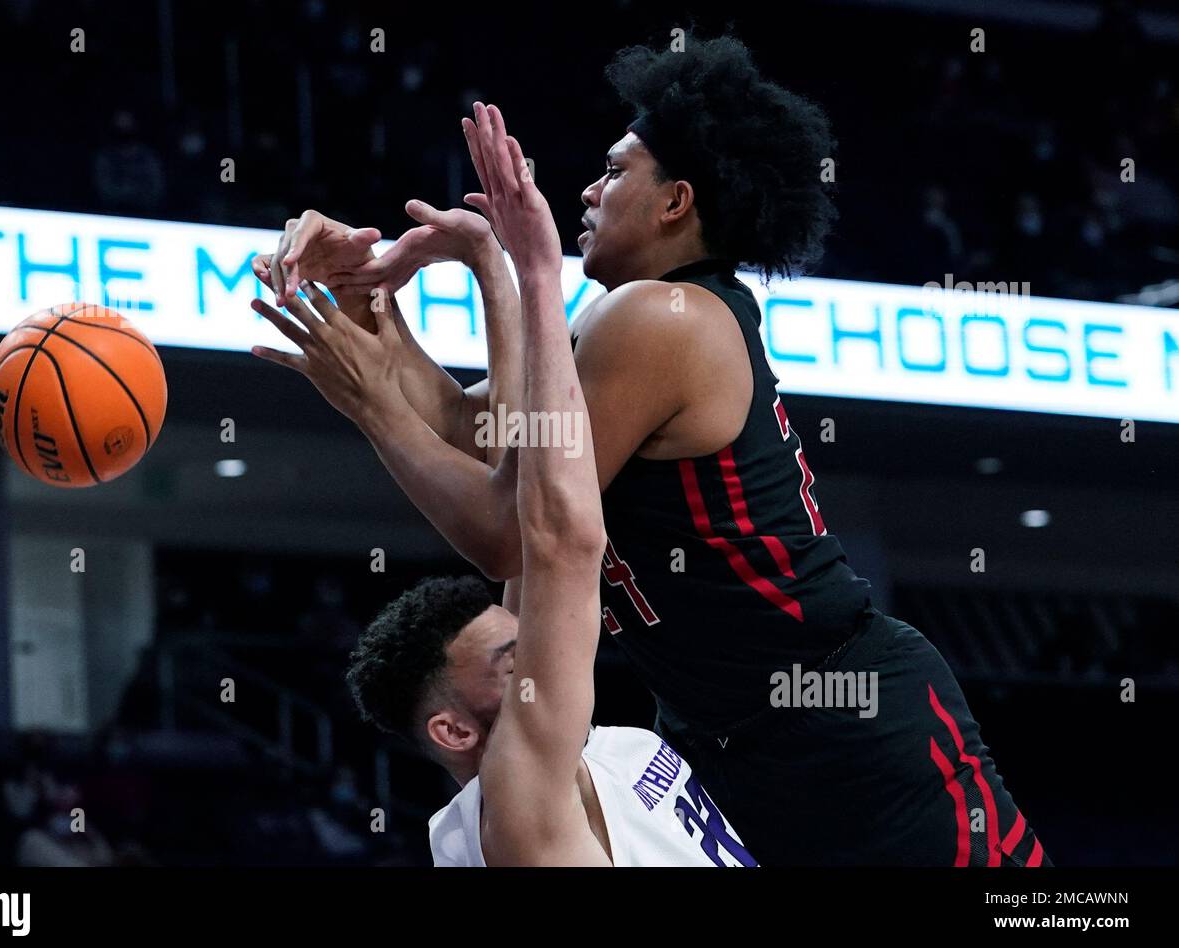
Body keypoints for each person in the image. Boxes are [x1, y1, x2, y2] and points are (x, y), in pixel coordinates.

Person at [251, 36, 1045, 867]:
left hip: (844, 720)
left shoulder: (663, 319)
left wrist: (375, 397)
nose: (589, 191)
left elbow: (506, 529)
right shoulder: (618, 320)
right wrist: (360, 292)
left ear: (676, 203)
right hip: (729, 737)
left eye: (614, 171)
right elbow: (469, 426)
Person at [262, 135, 755, 864]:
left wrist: (491, 270)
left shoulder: (610, 749)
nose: (549, 645)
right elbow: (558, 541)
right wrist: (532, 270)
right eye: (511, 658)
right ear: (456, 732)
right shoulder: (517, 812)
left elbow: (525, 512)